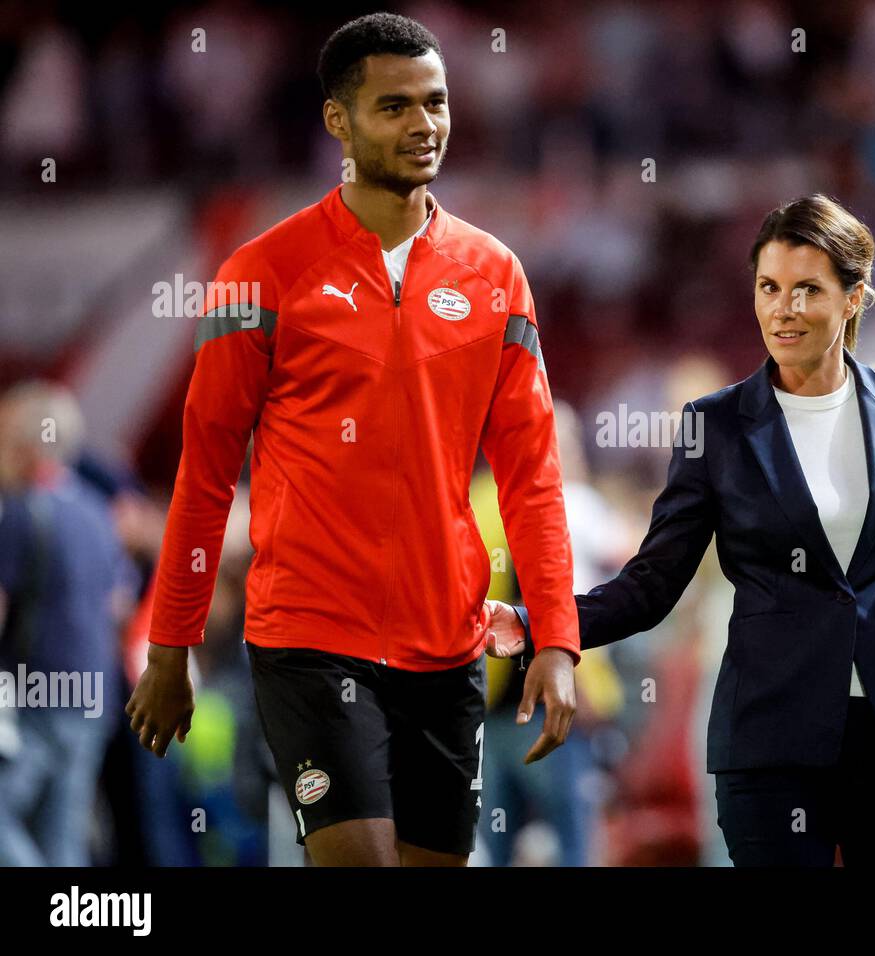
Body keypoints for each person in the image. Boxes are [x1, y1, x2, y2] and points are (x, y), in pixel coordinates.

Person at [486, 193, 875, 866]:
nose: (783, 308)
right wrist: (540, 625)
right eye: (769, 287)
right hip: (772, 747)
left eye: (808, 289)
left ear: (854, 298)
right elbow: (652, 584)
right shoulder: (715, 426)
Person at [126, 12, 580, 868]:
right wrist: (169, 646)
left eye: (436, 103)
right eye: (394, 107)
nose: (423, 125)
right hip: (307, 633)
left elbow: (532, 478)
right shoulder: (261, 272)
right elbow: (206, 472)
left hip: (447, 640)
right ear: (338, 120)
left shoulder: (496, 276)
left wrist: (555, 638)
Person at [0, 381, 135, 866]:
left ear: (23, 445)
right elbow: (119, 602)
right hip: (94, 696)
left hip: (34, 694)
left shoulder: (17, 513)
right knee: (64, 836)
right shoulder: (98, 511)